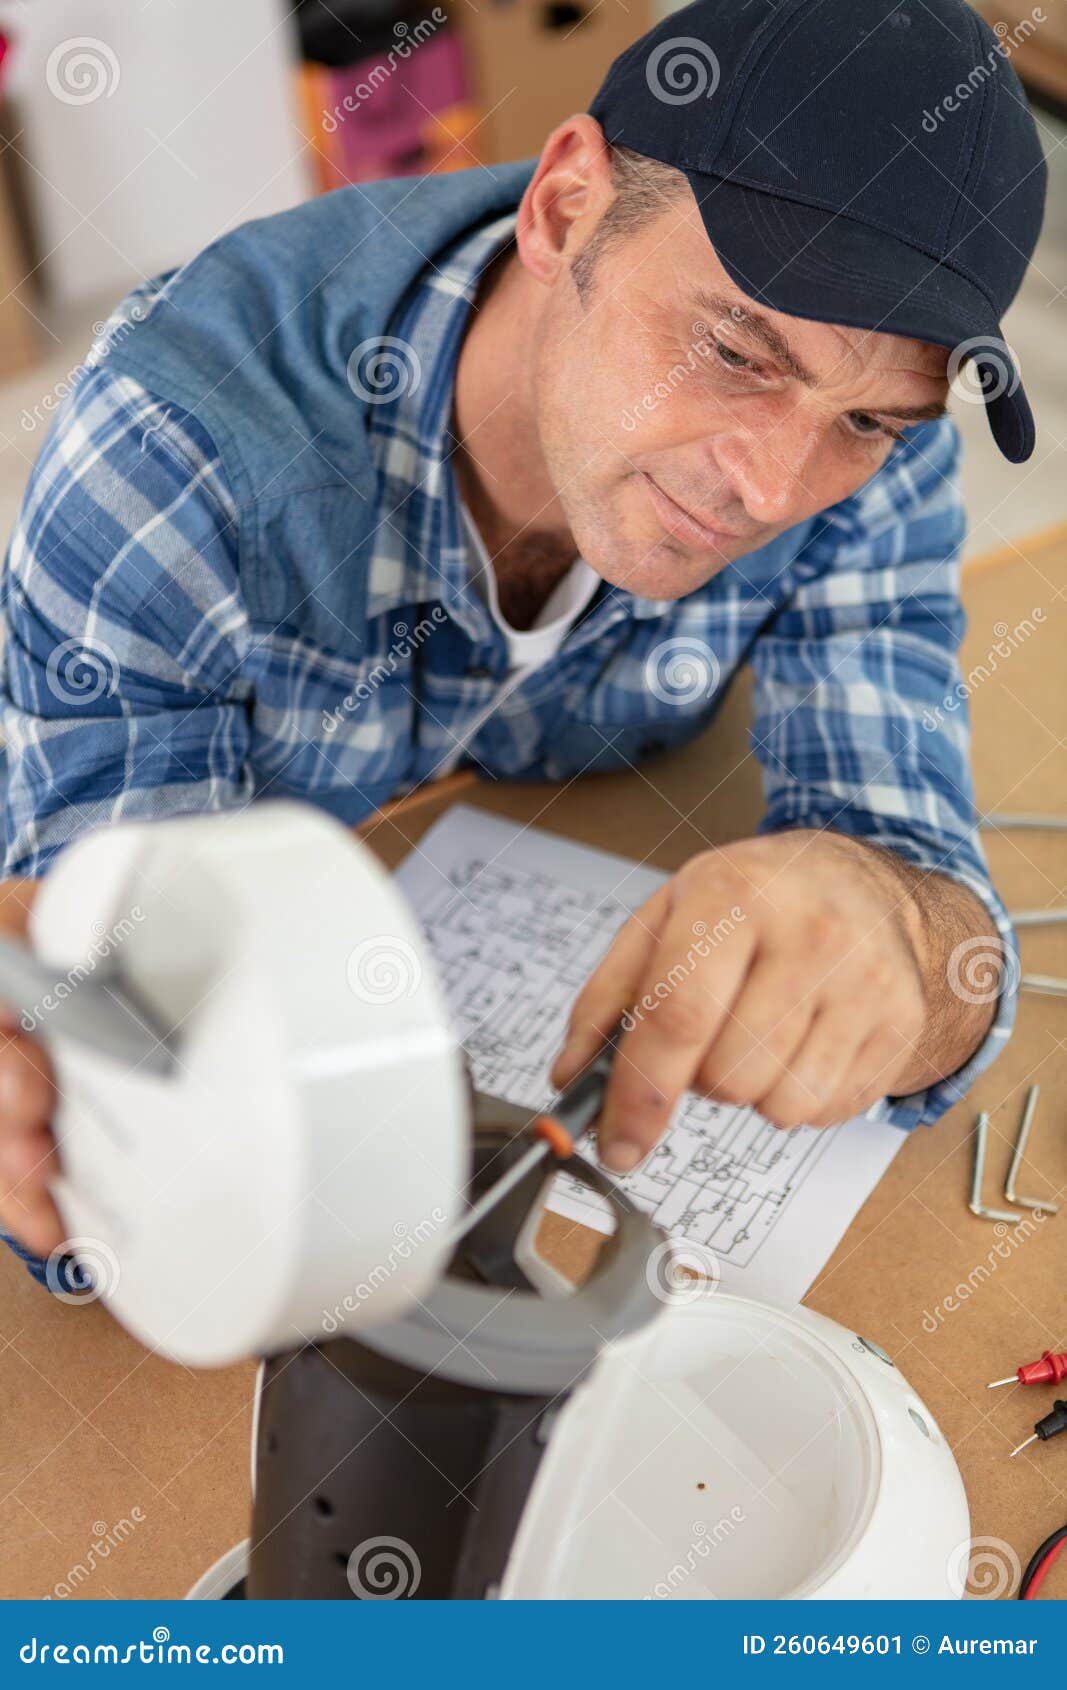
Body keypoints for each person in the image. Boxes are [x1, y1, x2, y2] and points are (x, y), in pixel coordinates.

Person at [0, 0, 1046, 1283]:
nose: (772, 488)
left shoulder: (863, 446)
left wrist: (896, 935)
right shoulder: (175, 467)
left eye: (867, 421)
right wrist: (98, 1130)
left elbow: (935, 905)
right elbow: (106, 1147)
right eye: (731, 351)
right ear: (561, 210)